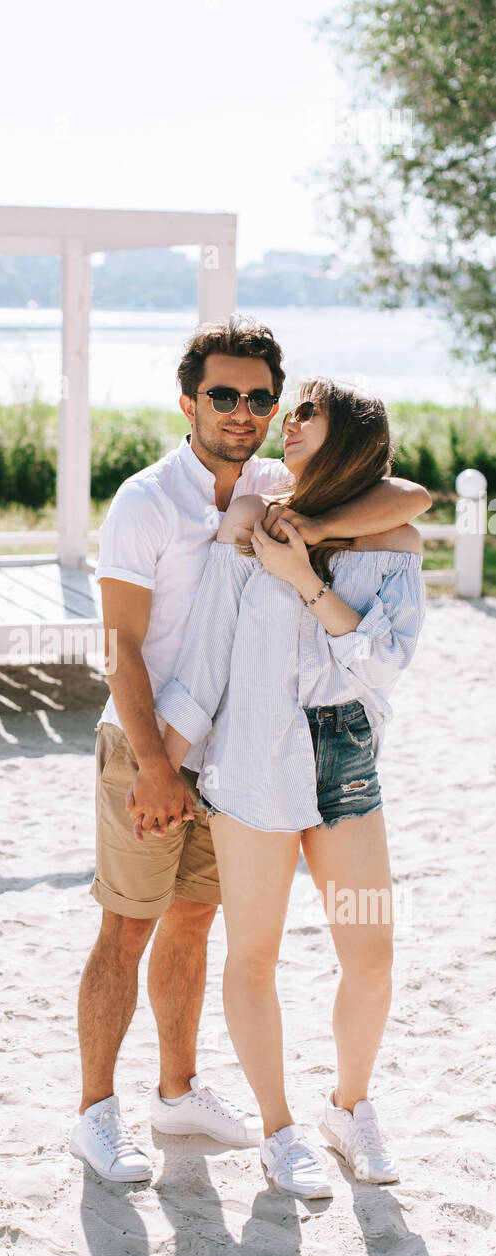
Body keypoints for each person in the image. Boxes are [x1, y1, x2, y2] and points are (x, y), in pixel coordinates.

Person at [68, 315, 432, 1185]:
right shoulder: (159, 502)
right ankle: (103, 1112)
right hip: (178, 744)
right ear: (188, 400)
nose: (245, 409)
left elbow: (408, 503)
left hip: (295, 758)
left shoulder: (278, 497)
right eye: (224, 394)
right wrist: (159, 765)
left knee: (231, 929)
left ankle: (193, 1091)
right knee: (136, 928)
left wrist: (302, 551)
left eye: (263, 398)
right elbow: (148, 653)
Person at [149, 376, 426, 1199]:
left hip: (345, 767)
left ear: (344, 439)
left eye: (308, 411)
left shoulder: (395, 546)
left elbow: (381, 663)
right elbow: (204, 659)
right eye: (291, 408)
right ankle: (280, 1128)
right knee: (255, 954)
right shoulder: (252, 519)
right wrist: (161, 766)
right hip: (252, 767)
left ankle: (349, 1106)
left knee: (370, 957)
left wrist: (303, 575)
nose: (285, 420)